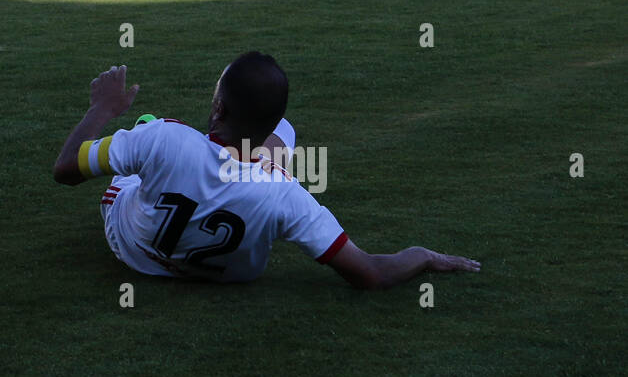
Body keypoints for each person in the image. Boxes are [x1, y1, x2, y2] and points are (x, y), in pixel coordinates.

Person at [52, 58, 481, 288]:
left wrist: (102, 109)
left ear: (218, 108)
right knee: (279, 145)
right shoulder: (287, 194)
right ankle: (250, 160)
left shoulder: (165, 138)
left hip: (135, 249)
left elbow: (66, 170)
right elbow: (371, 272)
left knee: (146, 125)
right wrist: (423, 255)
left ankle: (177, 145)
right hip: (229, 274)